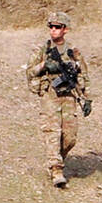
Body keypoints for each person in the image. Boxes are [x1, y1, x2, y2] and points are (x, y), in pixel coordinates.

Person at [26, 11, 89, 188]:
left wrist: (87, 99)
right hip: (50, 95)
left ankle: (57, 158)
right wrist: (45, 65)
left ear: (65, 29)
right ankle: (56, 169)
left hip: (69, 96)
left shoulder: (73, 51)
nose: (53, 30)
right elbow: (29, 71)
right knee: (52, 132)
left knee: (70, 137)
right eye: (51, 27)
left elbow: (83, 74)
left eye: (57, 27)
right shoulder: (42, 50)